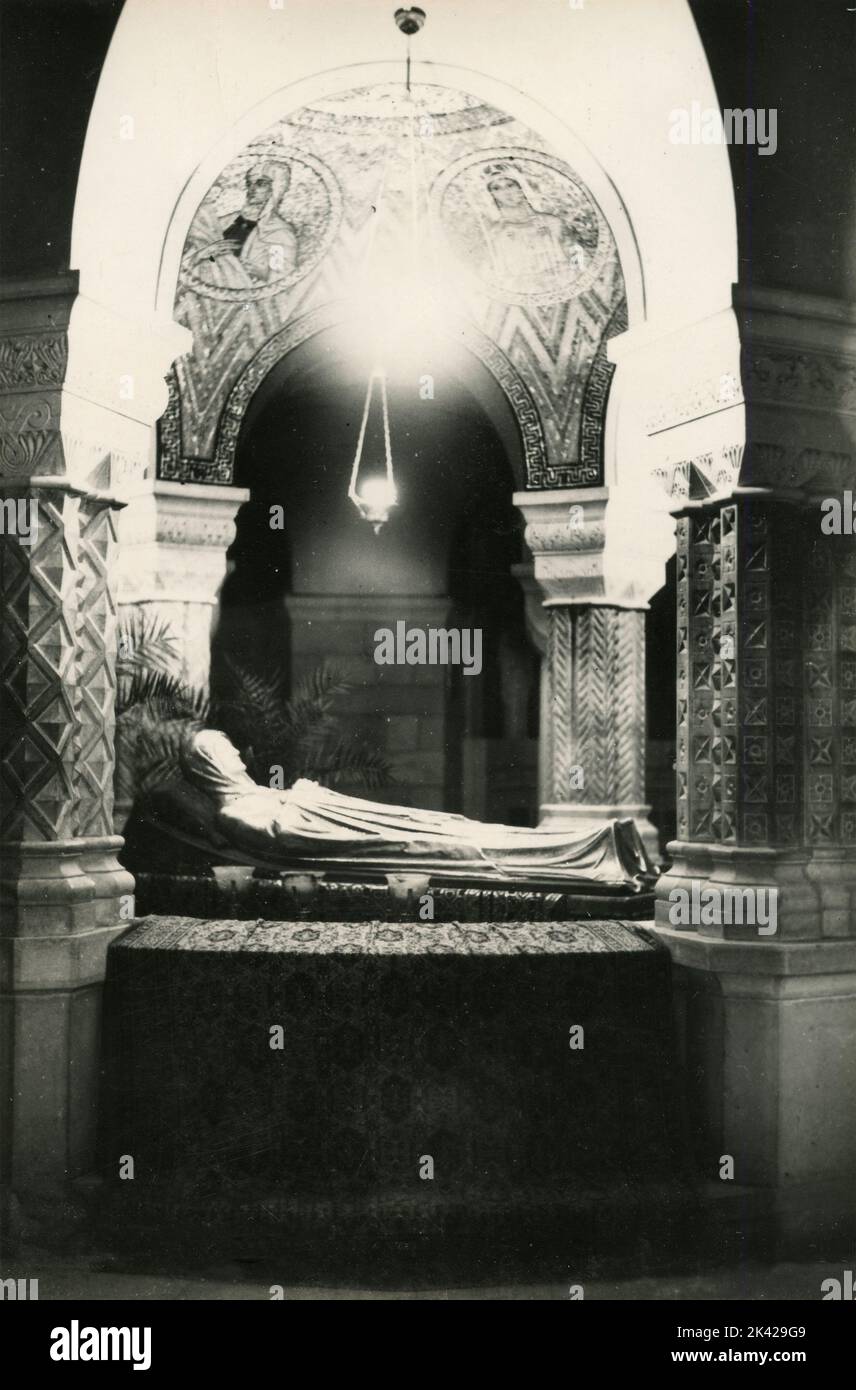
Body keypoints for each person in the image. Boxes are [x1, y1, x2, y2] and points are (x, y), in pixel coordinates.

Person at [174, 728, 654, 891]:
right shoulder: (234, 811)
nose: (236, 755)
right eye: (223, 751)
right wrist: (301, 798)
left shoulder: (254, 794)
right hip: (372, 843)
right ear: (207, 765)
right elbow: (293, 838)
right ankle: (597, 857)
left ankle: (604, 848)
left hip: (372, 824)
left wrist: (299, 797)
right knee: (468, 844)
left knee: (462, 827)